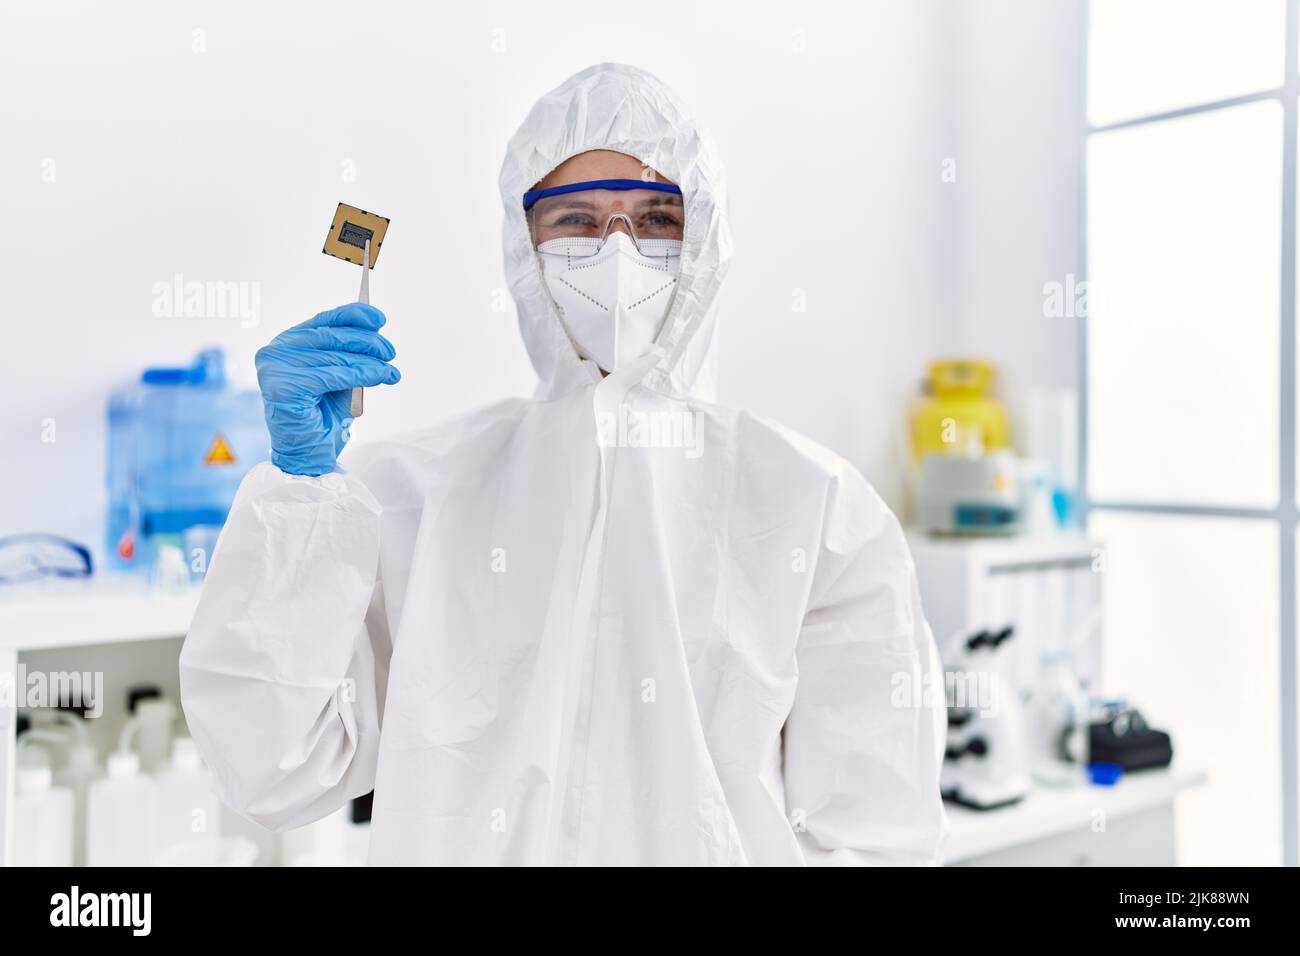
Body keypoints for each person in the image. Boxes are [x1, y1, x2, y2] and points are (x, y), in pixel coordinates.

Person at [180, 63, 948, 866]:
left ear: (707, 242)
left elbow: (878, 836)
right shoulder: (413, 493)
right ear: (524, 243)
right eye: (577, 219)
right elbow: (274, 769)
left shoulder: (813, 507)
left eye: (655, 219)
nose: (618, 252)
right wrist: (303, 497)